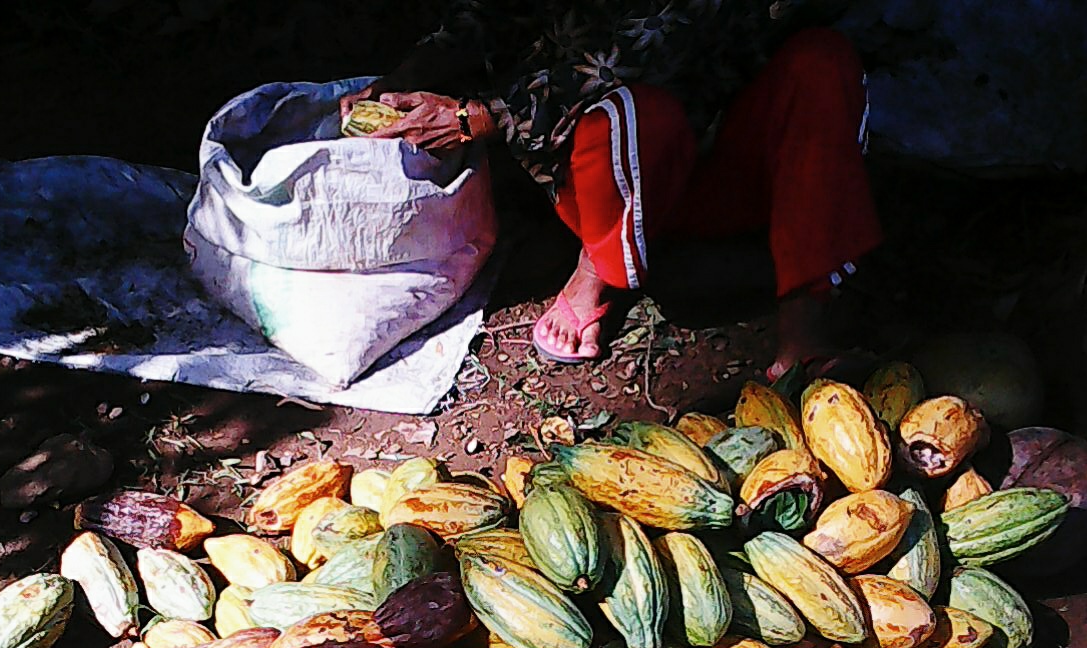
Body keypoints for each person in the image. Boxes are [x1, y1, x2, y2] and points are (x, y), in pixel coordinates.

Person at [343, 1, 881, 379]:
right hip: (613, 168)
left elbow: (641, 51)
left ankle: (803, 333)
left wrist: (478, 117)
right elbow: (489, 16)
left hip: (723, 162)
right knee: (634, 115)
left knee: (823, 62)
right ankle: (597, 271)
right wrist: (405, 77)